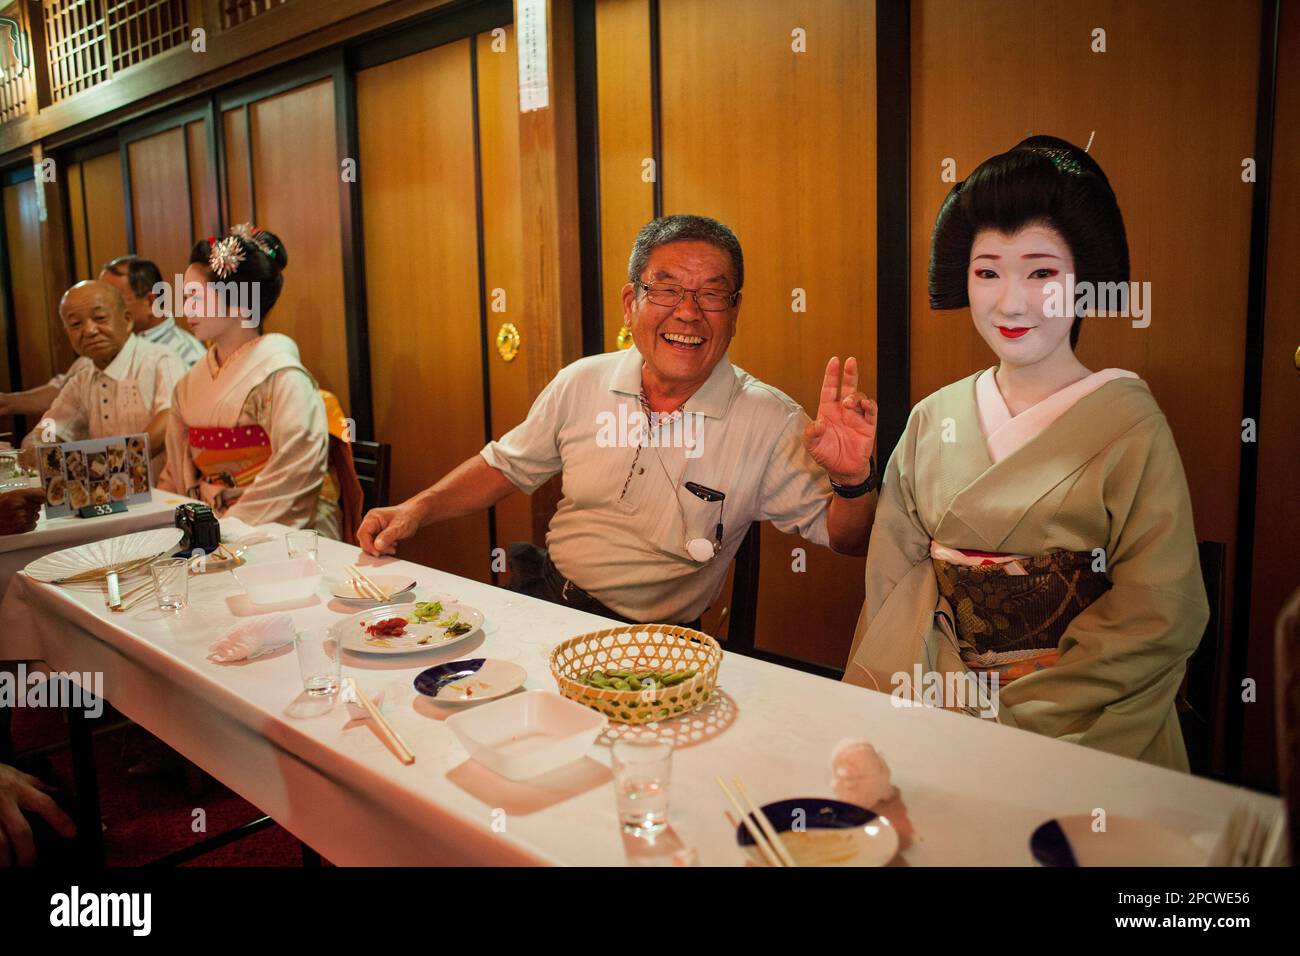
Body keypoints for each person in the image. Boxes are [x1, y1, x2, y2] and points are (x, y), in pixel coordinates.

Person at [845, 136, 1207, 770]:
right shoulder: (934, 418)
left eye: (1041, 272)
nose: (1010, 302)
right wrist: (952, 698)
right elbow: (893, 586)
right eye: (988, 272)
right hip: (940, 702)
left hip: (1091, 720)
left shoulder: (1130, 424)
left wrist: (1029, 708)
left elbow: (1161, 607)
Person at [360, 214, 879, 627]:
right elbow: (505, 467)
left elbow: (847, 540)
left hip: (655, 646)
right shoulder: (581, 382)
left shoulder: (770, 419)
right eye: (667, 289)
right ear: (631, 303)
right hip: (545, 599)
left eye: (712, 294)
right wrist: (416, 507)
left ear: (735, 310)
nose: (688, 312)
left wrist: (852, 481)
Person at [159, 225, 338, 534]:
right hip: (208, 524)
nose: (186, 308)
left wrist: (231, 527)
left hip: (276, 531)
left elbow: (297, 469)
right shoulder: (188, 385)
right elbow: (176, 472)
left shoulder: (282, 375)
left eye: (195, 296)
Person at [19, 281, 184, 479]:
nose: (89, 330)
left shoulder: (159, 359)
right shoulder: (83, 378)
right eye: (75, 324)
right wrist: (36, 442)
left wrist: (111, 464)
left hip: (167, 496)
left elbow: (170, 418)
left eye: (100, 318)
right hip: (110, 499)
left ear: (127, 319)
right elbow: (51, 427)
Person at [99, 255, 206, 367]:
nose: (103, 310)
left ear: (150, 302)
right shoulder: (106, 348)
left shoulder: (186, 356)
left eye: (112, 300)